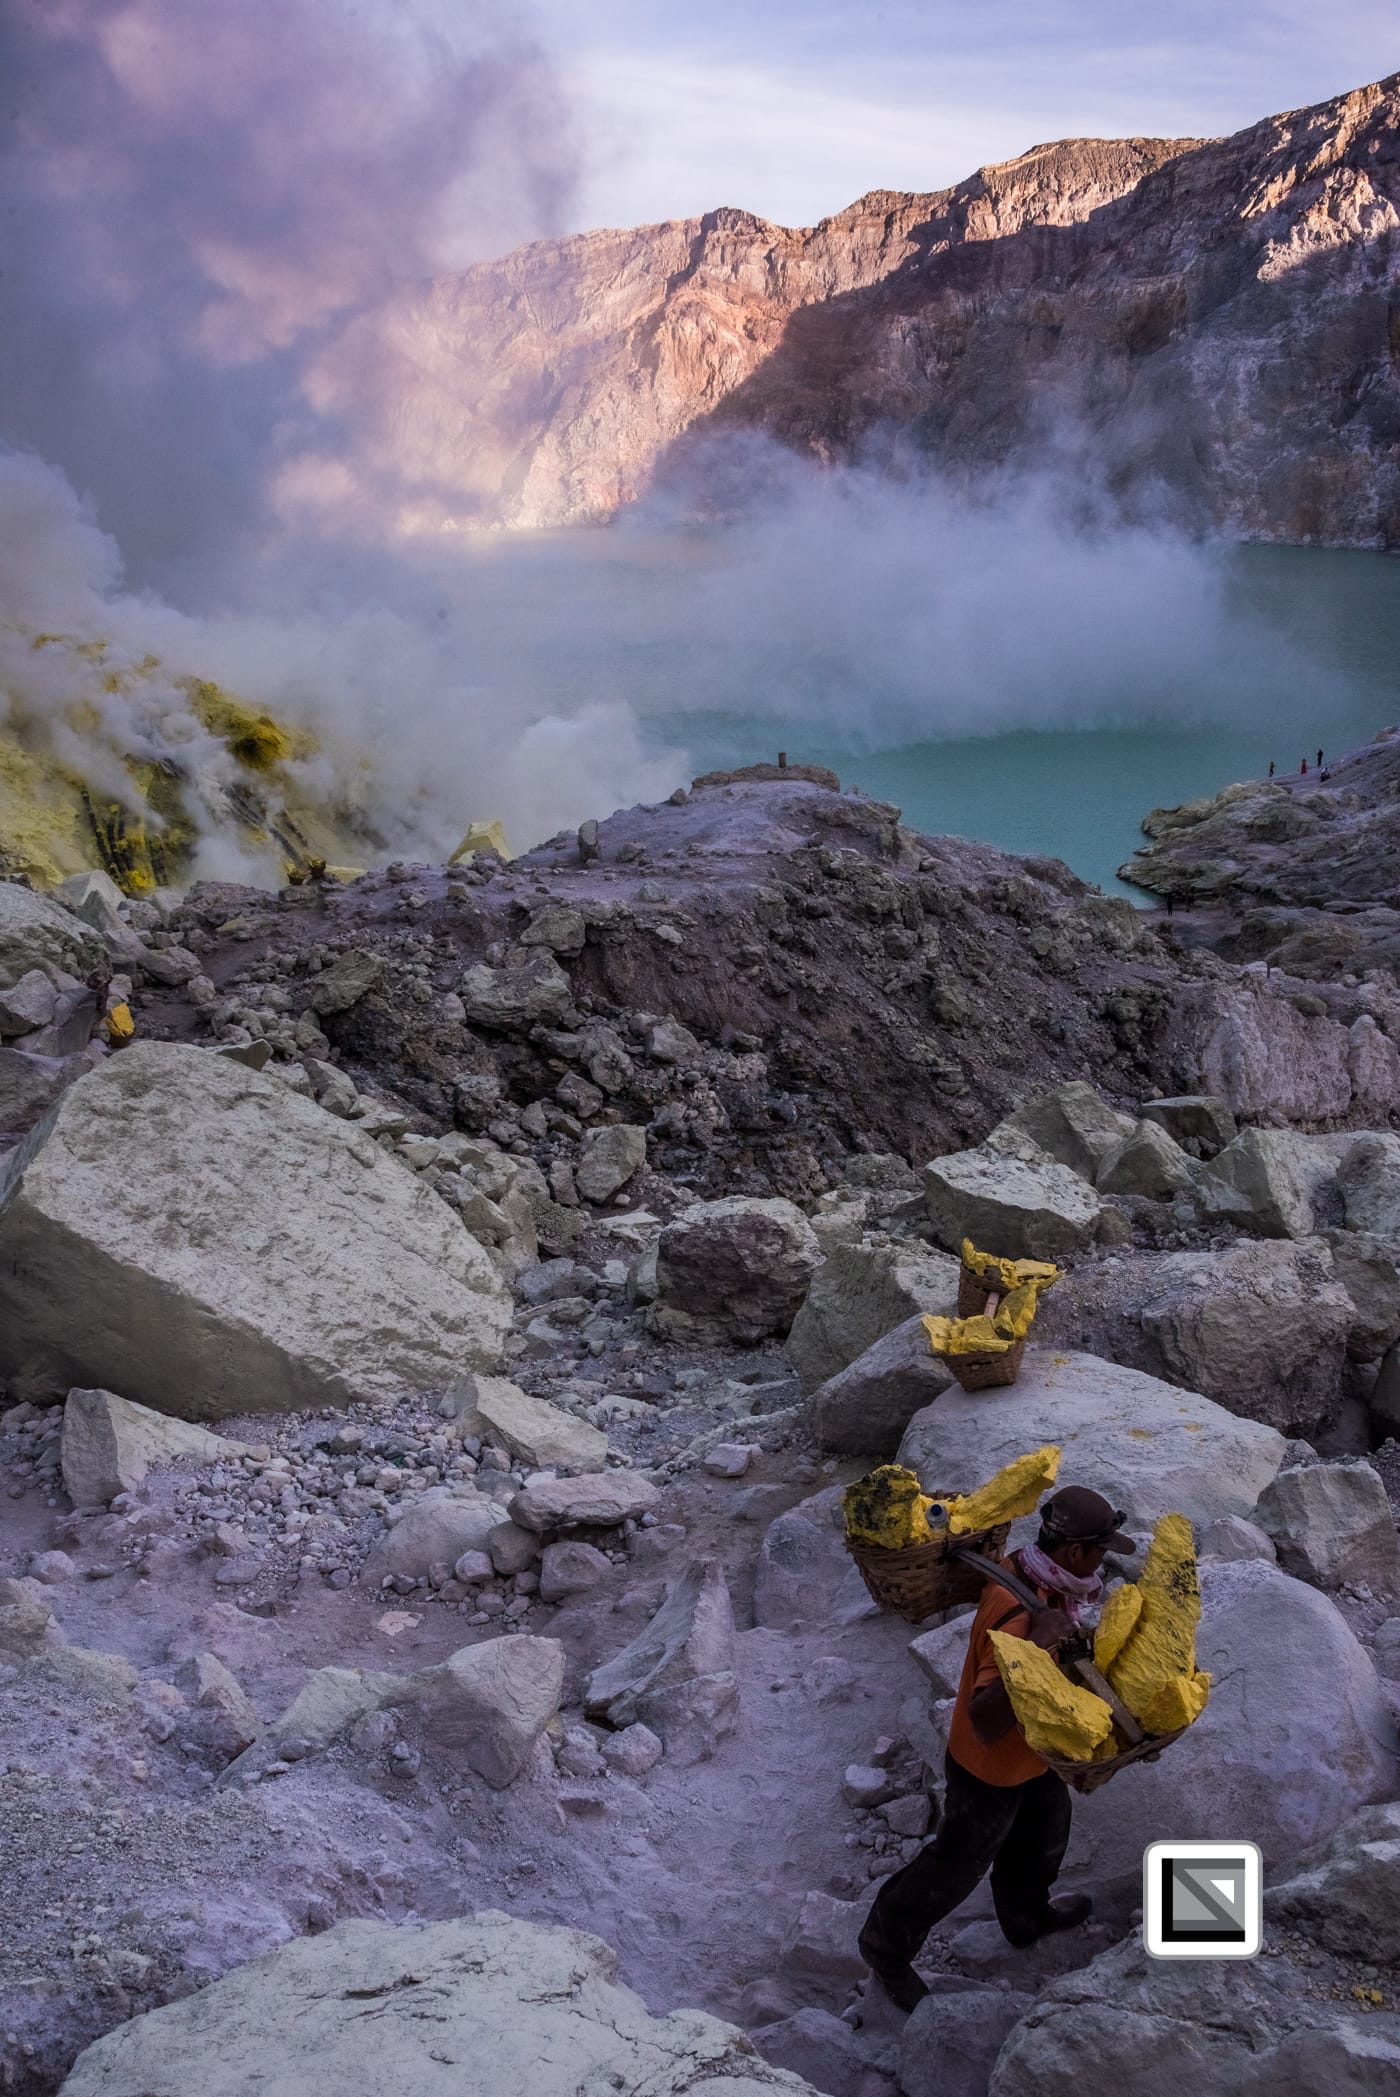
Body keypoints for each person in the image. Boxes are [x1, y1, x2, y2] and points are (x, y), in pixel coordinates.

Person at [858, 1487, 1137, 2012]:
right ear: (1075, 1552)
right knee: (953, 1869)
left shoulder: (1039, 1575)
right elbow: (985, 1718)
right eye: (1101, 1550)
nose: (1105, 1561)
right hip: (987, 1766)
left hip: (1034, 1753)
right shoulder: (1016, 1610)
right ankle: (885, 1950)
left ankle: (1025, 1919)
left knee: (1042, 1841)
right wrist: (1038, 1645)